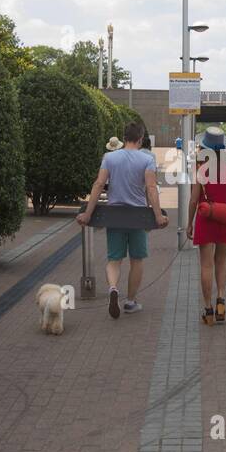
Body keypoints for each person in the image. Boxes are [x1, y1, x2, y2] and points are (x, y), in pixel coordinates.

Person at [76, 121, 168, 318]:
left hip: (114, 215)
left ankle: (112, 289)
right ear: (141, 138)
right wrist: (158, 215)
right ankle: (131, 301)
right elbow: (151, 188)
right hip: (138, 217)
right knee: (137, 259)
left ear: (124, 137)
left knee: (114, 259)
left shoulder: (109, 157)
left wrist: (88, 213)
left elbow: (99, 184)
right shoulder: (147, 158)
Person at [188, 126, 226, 326]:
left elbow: (194, 200)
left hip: (206, 218)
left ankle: (208, 310)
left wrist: (189, 223)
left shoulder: (201, 169)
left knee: (206, 265)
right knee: (221, 261)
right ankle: (221, 299)